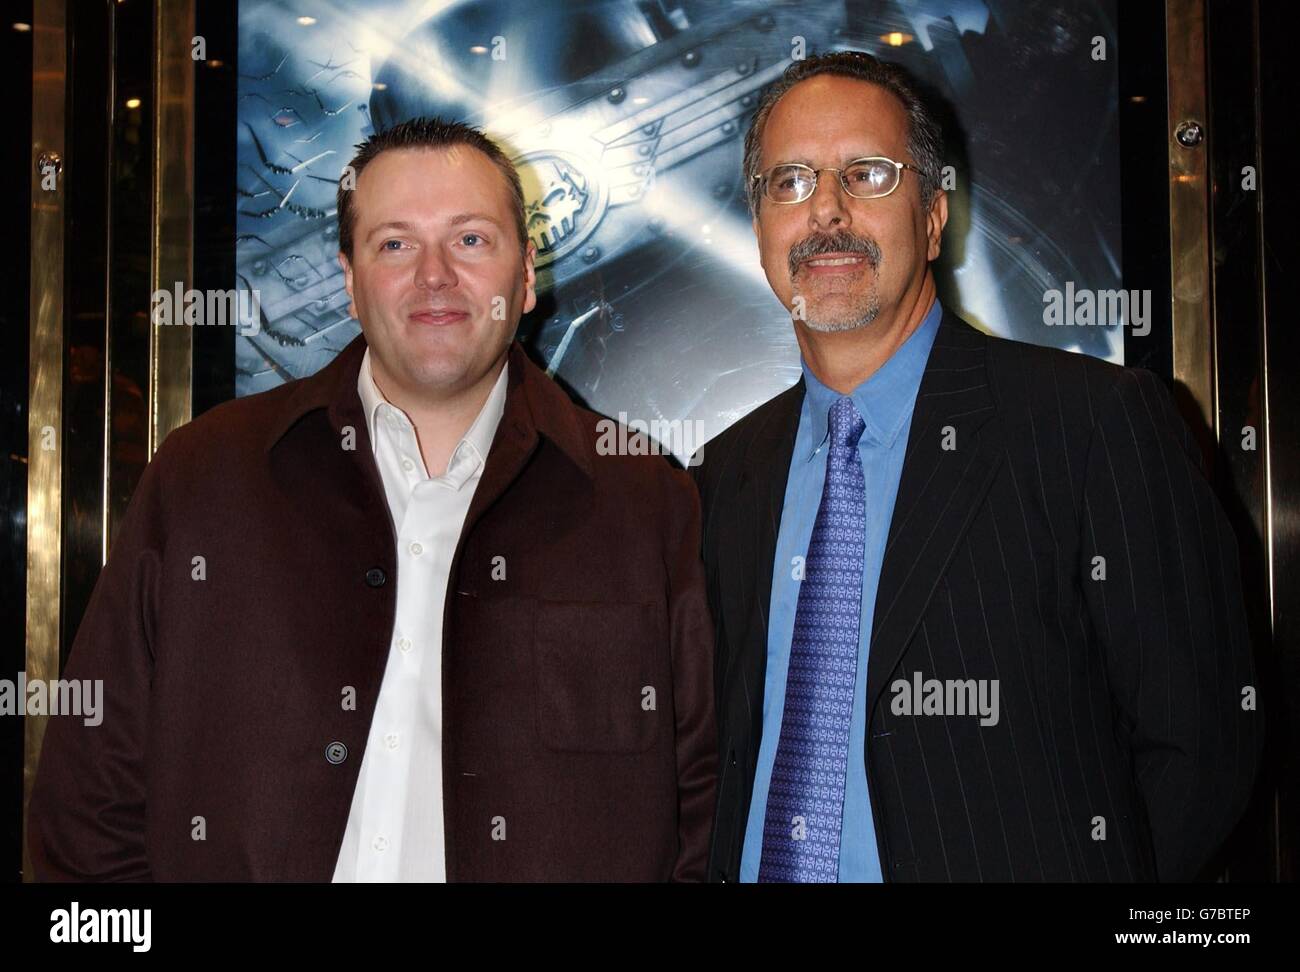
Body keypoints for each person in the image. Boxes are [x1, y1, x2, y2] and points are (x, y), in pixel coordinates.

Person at [29, 117, 715, 882]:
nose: (434, 276)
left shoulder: (646, 501)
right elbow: (88, 809)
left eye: (471, 240)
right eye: (395, 244)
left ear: (525, 278)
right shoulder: (204, 477)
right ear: (350, 283)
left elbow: (702, 814)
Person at [691, 51, 1261, 882]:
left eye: (868, 174)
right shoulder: (719, 475)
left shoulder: (1092, 424)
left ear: (932, 217)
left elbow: (1205, 743)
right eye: (790, 183)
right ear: (759, 230)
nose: (827, 212)